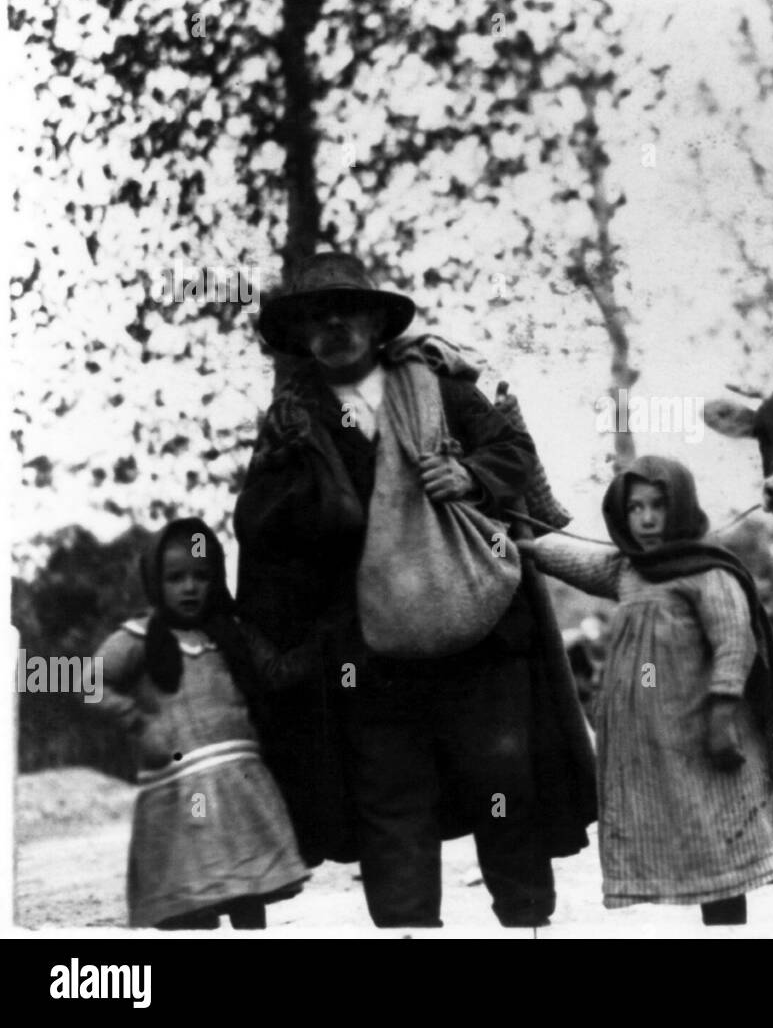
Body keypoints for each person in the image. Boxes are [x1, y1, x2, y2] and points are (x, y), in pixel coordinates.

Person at [233, 251, 596, 929]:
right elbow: (260, 533)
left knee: (503, 788)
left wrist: (473, 477)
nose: (334, 322)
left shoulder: (441, 385)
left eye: (348, 308)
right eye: (316, 314)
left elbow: (514, 449)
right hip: (369, 650)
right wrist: (288, 476)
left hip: (476, 626)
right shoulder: (291, 420)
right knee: (391, 806)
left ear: (376, 321)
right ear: (301, 335)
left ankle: (528, 924)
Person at [520, 455, 773, 924]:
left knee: (721, 839)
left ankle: (726, 927)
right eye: (635, 509)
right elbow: (575, 560)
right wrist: (524, 546)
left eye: (658, 506)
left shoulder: (707, 570)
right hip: (657, 743)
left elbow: (735, 639)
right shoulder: (629, 570)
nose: (647, 519)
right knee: (684, 838)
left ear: (682, 508)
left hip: (706, 731)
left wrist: (721, 715)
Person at [93, 517, 311, 930]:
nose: (189, 587)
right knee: (192, 902)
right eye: (175, 578)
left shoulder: (232, 634)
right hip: (182, 793)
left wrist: (328, 648)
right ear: (155, 580)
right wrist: (138, 723)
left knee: (249, 888)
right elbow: (87, 682)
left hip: (240, 786)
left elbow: (277, 673)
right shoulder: (137, 638)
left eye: (201, 576)